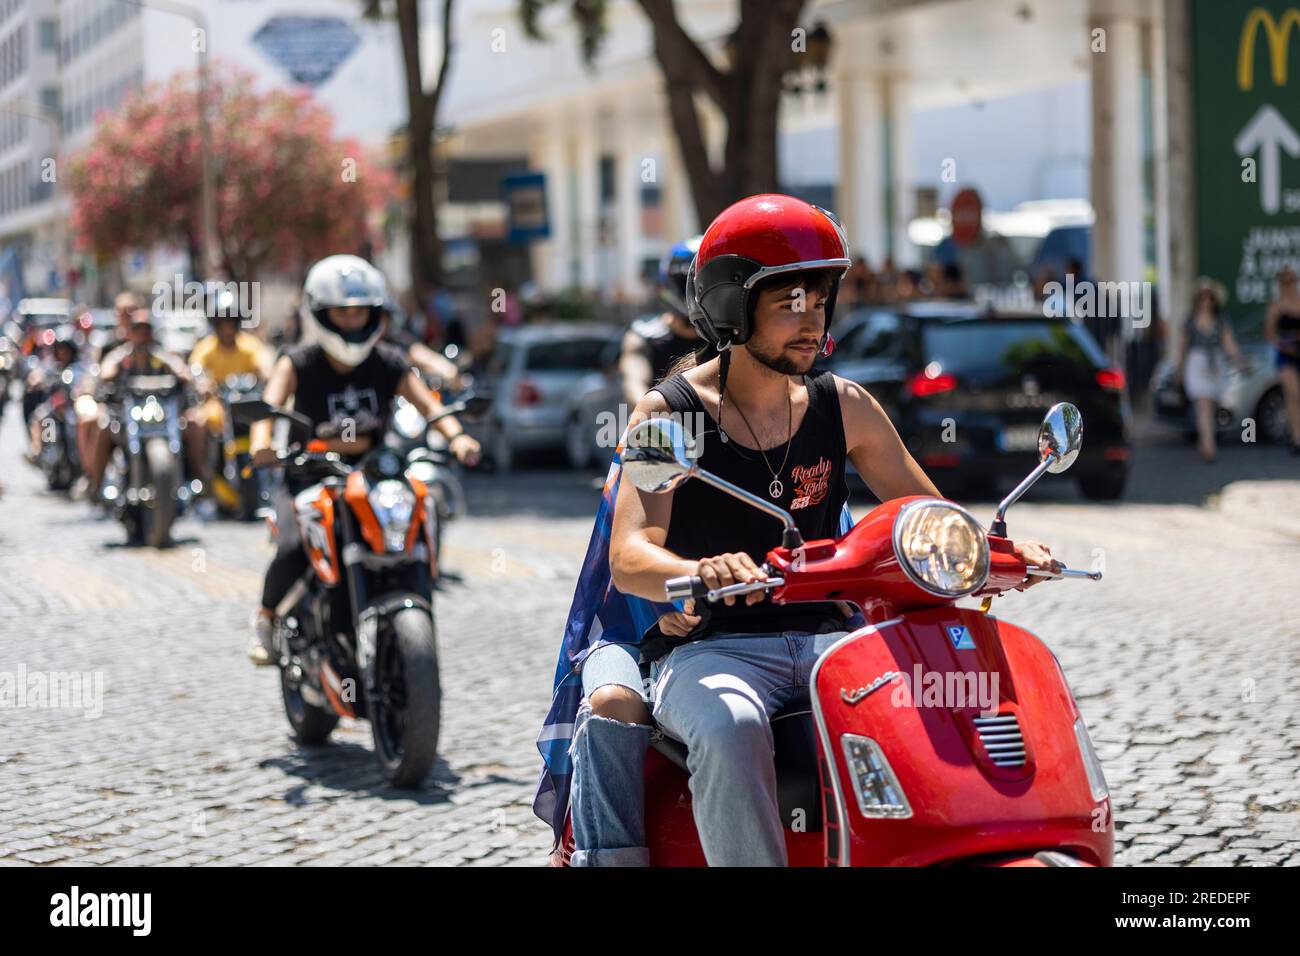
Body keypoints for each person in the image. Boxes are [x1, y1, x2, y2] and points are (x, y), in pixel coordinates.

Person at [566, 194, 1060, 866]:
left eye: (819, 301)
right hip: (716, 648)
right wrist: (699, 572)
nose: (811, 321)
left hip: (838, 641)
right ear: (733, 309)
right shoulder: (668, 415)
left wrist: (1001, 551)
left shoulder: (845, 404)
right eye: (788, 303)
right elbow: (629, 554)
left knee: (943, 704)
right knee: (730, 723)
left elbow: (930, 515)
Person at [246, 255, 482, 665]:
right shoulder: (299, 361)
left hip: (374, 474)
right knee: (290, 547)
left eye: (361, 313)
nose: (353, 321)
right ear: (321, 313)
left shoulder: (388, 362)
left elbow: (429, 405)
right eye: (343, 312)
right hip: (309, 474)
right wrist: (261, 444)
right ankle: (266, 618)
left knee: (412, 523)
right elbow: (268, 408)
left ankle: (407, 612)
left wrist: (458, 438)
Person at [83, 309, 205, 502]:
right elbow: (106, 371)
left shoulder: (161, 356)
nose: (142, 335)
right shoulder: (121, 356)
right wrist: (107, 378)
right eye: (138, 330)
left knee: (195, 424)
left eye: (146, 330)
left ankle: (200, 480)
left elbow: (181, 371)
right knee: (104, 428)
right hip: (128, 416)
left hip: (161, 415)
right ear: (130, 332)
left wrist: (188, 379)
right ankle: (97, 485)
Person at [186, 307, 275, 488]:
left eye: (231, 322)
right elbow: (196, 370)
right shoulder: (206, 348)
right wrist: (202, 383)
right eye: (222, 323)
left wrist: (267, 376)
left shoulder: (250, 345)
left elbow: (265, 366)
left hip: (246, 403)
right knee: (197, 423)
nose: (227, 328)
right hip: (218, 404)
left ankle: (271, 476)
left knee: (270, 421)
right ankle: (204, 478)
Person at [619, 237, 703, 406]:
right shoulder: (644, 335)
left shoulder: (731, 337)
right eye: (686, 282)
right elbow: (634, 384)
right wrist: (658, 419)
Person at [1173, 278, 1247, 463]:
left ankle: (1205, 440)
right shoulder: (1190, 321)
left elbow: (1229, 344)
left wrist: (1240, 361)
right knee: (1203, 405)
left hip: (1215, 363)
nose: (1206, 301)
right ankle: (1209, 444)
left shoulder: (1221, 320)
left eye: (1209, 297)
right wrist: (1179, 371)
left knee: (1210, 406)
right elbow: (1183, 348)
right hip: (1196, 363)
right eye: (1202, 297)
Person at [1264, 265, 1300, 453]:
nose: (1287, 285)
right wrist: (1284, 344)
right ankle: (1296, 437)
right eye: (1283, 282)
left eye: (1291, 280)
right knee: (1293, 393)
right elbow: (1269, 335)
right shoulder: (1276, 306)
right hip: (1286, 353)